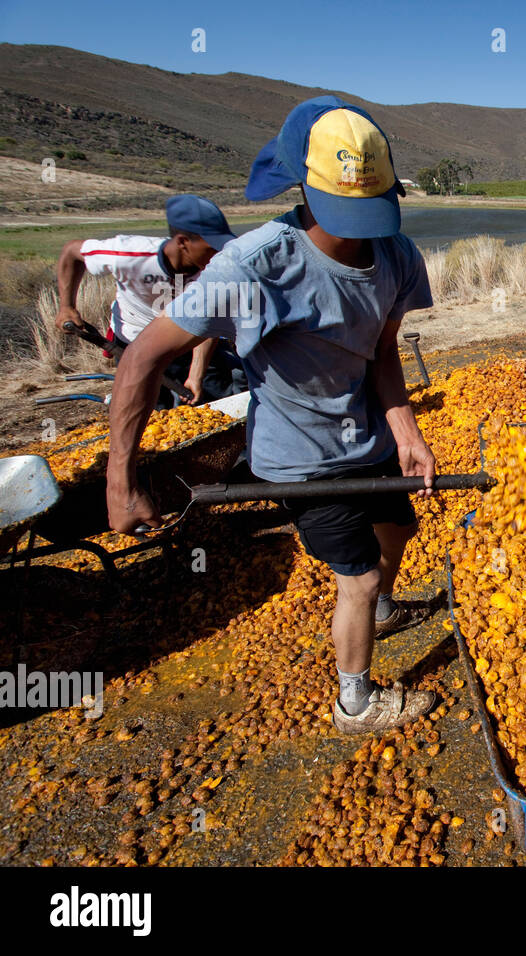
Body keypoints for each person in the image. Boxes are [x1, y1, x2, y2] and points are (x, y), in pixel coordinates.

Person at [106, 96, 438, 734]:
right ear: (306, 191)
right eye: (345, 213)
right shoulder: (254, 266)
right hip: (300, 459)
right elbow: (139, 361)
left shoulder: (396, 256)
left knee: (397, 533)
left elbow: (384, 349)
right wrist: (121, 481)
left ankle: (380, 610)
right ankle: (356, 703)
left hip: (366, 439)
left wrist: (406, 431)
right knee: (360, 576)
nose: (359, 231)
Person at [57, 194, 243, 408]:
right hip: (136, 342)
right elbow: (71, 251)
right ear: (183, 242)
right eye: (211, 248)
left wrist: (195, 375)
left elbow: (209, 320)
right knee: (149, 411)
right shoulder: (128, 254)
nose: (218, 253)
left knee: (215, 404)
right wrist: (66, 307)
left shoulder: (214, 269)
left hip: (189, 339)